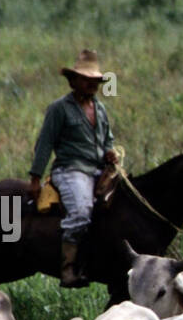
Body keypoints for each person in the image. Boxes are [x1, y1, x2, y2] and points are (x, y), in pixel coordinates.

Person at [28, 49, 118, 287]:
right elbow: (45, 143)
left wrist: (110, 152)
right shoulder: (59, 108)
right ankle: (68, 268)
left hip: (98, 169)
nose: (92, 84)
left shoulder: (100, 109)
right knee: (80, 212)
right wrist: (35, 178)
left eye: (95, 80)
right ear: (73, 80)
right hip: (71, 170)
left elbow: (108, 138)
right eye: (86, 79)